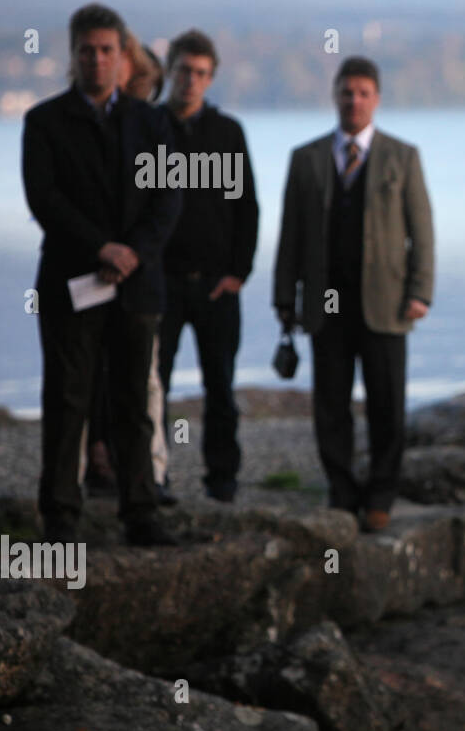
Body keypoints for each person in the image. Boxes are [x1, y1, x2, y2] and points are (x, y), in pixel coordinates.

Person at [22, 3, 181, 546]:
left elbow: (169, 199)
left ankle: (141, 510)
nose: (96, 59)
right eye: (86, 50)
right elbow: (45, 200)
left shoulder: (153, 121)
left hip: (137, 284)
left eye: (106, 50)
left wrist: (132, 251)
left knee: (134, 400)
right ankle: (61, 516)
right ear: (73, 55)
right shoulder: (42, 122)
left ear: (124, 57)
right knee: (67, 399)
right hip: (71, 281)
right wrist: (101, 247)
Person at [273, 56, 434, 532]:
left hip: (386, 303)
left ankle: (381, 495)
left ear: (376, 99)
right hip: (326, 306)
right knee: (331, 404)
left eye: (363, 93)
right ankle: (342, 493)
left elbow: (422, 233)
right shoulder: (306, 159)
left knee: (388, 404)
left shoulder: (403, 157)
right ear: (335, 96)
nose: (354, 101)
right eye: (347, 92)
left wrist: (420, 290)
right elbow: (290, 236)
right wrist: (286, 298)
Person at [154, 29, 259, 503]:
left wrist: (239, 272)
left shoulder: (228, 132)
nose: (190, 81)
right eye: (182, 70)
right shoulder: (148, 128)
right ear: (169, 70)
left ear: (210, 78)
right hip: (160, 284)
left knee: (221, 386)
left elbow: (247, 208)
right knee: (155, 387)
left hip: (217, 285)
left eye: (200, 73)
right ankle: (153, 477)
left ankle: (222, 477)